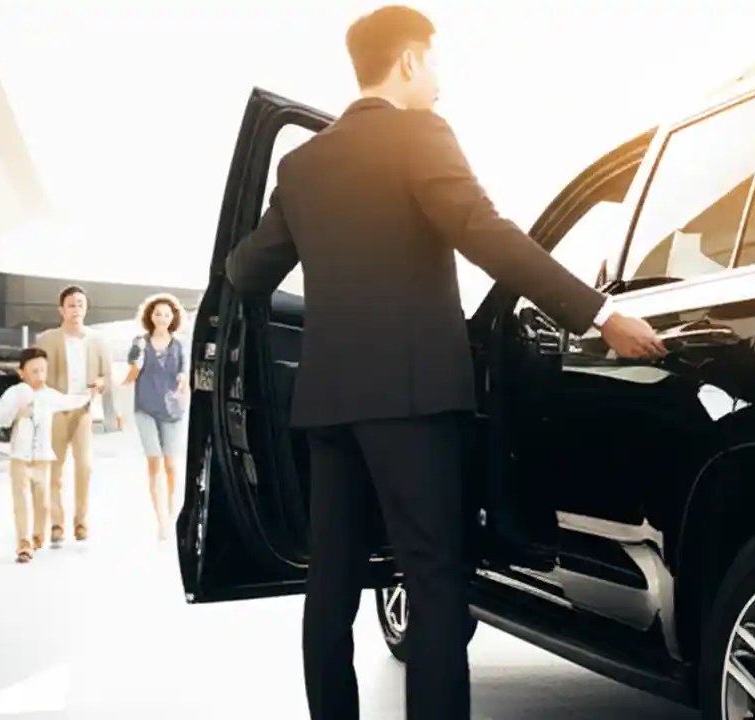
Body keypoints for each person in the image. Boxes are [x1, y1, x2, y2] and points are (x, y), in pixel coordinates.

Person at [223, 6, 666, 718]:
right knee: (433, 582)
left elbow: (246, 274)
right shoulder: (419, 134)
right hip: (413, 400)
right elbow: (487, 234)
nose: (440, 81)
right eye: (434, 62)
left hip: (329, 405)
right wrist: (600, 313)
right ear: (406, 62)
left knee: (330, 589)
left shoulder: (302, 163)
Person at [0, 347, 95, 563]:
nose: (39, 376)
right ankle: (23, 542)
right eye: (34, 371)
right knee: (21, 501)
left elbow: (70, 401)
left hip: (43, 459)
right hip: (20, 457)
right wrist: (15, 412)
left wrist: (89, 394)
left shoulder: (49, 396)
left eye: (42, 371)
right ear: (22, 373)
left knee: (43, 503)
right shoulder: (15, 393)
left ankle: (37, 537)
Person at [34, 285, 113, 545]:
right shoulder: (46, 339)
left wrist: (100, 385)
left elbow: (107, 376)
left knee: (85, 467)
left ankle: (81, 521)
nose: (76, 309)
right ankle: (56, 524)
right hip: (55, 410)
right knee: (54, 470)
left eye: (80, 304)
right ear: (61, 310)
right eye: (71, 305)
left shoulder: (98, 340)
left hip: (83, 410)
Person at [122, 292, 190, 540]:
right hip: (145, 407)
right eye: (158, 313)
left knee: (171, 465)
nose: (162, 317)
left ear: (173, 317)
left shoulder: (180, 345)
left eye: (167, 313)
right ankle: (160, 517)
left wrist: (183, 382)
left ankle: (172, 515)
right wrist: (135, 367)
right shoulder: (140, 342)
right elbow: (131, 371)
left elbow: (184, 373)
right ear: (150, 316)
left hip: (172, 410)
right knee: (154, 463)